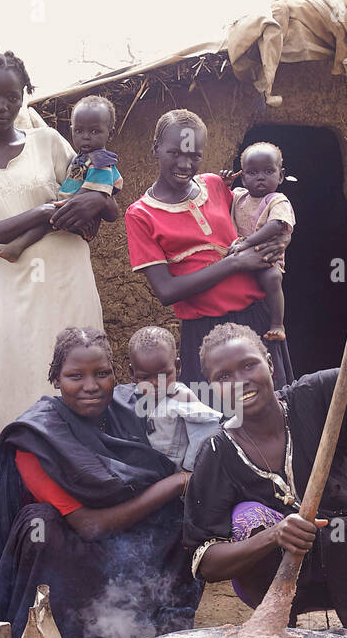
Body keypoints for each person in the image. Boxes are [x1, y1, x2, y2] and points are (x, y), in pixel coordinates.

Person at [183, 263, 347, 638]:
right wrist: (274, 535)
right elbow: (205, 561)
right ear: (212, 388)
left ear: (271, 365)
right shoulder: (216, 452)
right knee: (248, 516)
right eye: (223, 376)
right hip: (275, 573)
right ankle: (279, 623)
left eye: (249, 365)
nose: (240, 381)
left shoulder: (315, 396)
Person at [0, 326, 204, 638]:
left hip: (120, 551)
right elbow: (88, 526)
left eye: (102, 374)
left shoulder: (133, 408)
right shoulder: (35, 438)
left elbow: (200, 421)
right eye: (75, 376)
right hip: (60, 553)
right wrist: (175, 483)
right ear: (55, 379)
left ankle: (152, 620)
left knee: (180, 513)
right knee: (38, 523)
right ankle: (58, 632)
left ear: (117, 376)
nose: (91, 386)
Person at [0, 48, 110, 482]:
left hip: (66, 283)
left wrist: (91, 200)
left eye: (12, 98)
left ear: (23, 99)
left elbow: (95, 193)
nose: (1, 106)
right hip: (9, 296)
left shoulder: (48, 142)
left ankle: (87, 486)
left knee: (78, 375)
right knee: (20, 381)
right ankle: (22, 497)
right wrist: (39, 212)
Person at [124, 109, 292, 388]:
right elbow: (166, 291)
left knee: (274, 411)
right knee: (216, 421)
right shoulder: (141, 214)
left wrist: (282, 238)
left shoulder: (214, 185)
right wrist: (235, 263)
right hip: (204, 330)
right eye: (174, 152)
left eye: (194, 155)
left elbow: (255, 221)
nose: (185, 164)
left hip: (257, 318)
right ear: (155, 148)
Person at [0, 94, 122, 261]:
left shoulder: (101, 161)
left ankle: (16, 247)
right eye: (79, 131)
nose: (86, 136)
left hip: (76, 213)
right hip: (71, 208)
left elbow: (94, 192)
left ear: (110, 134)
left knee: (45, 222)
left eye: (94, 131)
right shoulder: (80, 158)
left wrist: (65, 207)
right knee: (44, 219)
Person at [120, 324, 219, 471]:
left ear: (177, 367)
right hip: (152, 469)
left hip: (178, 475)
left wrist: (188, 470)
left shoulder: (181, 397)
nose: (155, 383)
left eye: (164, 375)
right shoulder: (134, 396)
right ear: (132, 373)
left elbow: (206, 430)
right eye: (145, 377)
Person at [225, 142, 294, 340]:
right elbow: (221, 199)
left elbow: (276, 225)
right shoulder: (239, 196)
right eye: (252, 172)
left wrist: (247, 243)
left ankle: (277, 324)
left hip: (266, 258)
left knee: (272, 279)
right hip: (240, 255)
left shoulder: (277, 200)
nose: (261, 177)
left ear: (280, 176)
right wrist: (226, 184)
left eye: (268, 171)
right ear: (243, 178)